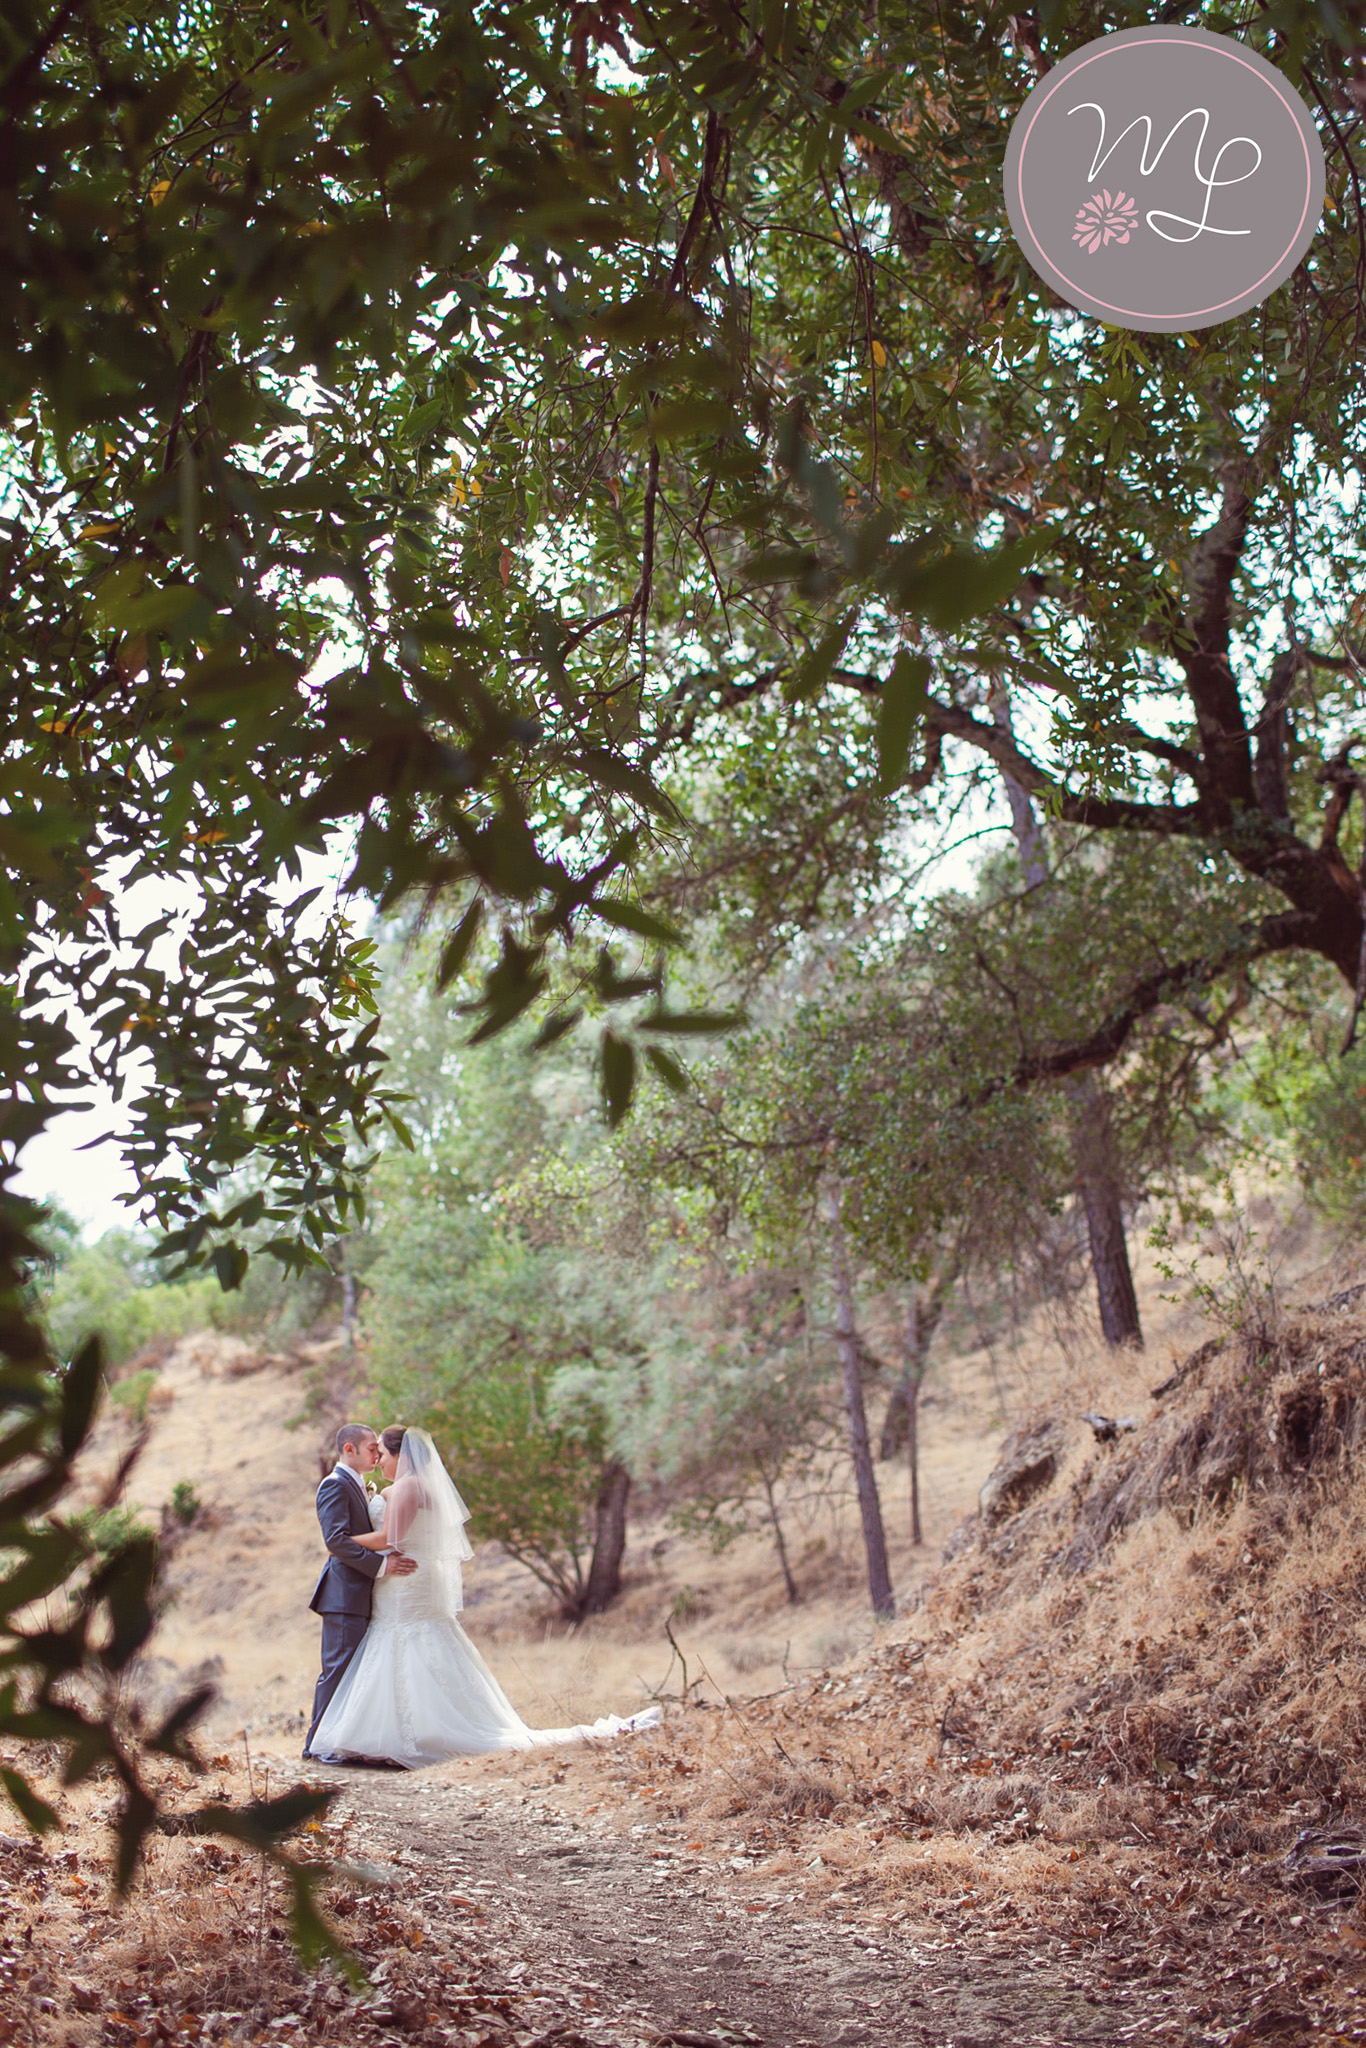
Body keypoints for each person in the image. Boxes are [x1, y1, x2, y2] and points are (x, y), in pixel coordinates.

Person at [308, 1425, 660, 1769]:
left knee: (403, 1646)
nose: (378, 1458)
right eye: (373, 1451)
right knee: (404, 1650)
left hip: (404, 1583)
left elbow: (391, 1539)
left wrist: (344, 1544)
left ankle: (403, 1735)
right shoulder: (412, 1486)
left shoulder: (403, 1489)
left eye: (381, 1452)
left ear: (401, 1455)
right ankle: (396, 1732)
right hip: (404, 1582)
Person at [303, 1421, 417, 1764]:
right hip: (342, 1593)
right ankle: (316, 1746)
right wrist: (382, 1567)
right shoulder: (334, 1485)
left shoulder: (360, 1485)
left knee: (352, 1669)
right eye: (371, 1448)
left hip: (360, 1592)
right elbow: (335, 1541)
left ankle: (337, 1741)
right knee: (337, 1668)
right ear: (349, 1449)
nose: (377, 1454)